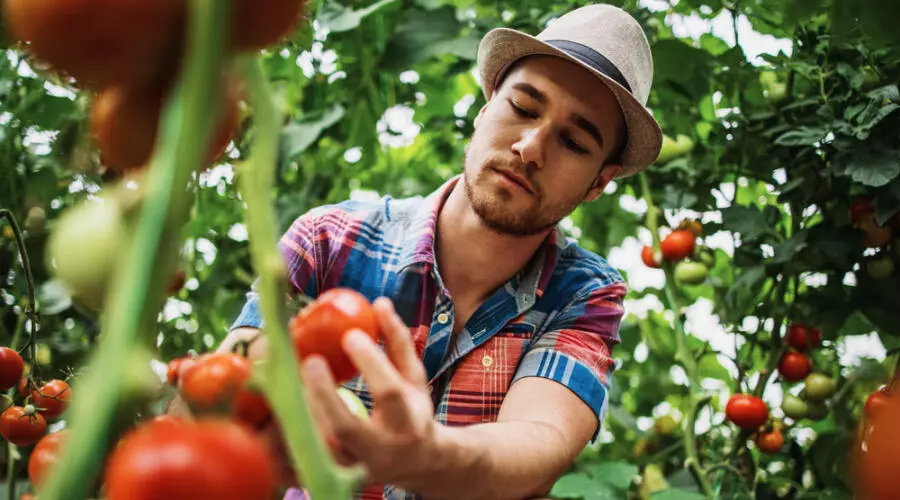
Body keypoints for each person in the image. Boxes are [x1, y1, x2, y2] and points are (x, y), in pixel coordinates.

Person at [220, 4, 662, 499]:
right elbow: (227, 391)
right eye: (522, 108)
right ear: (485, 106)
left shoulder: (585, 294)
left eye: (575, 142)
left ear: (598, 182)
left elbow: (542, 440)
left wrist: (429, 456)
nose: (531, 148)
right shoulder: (329, 239)